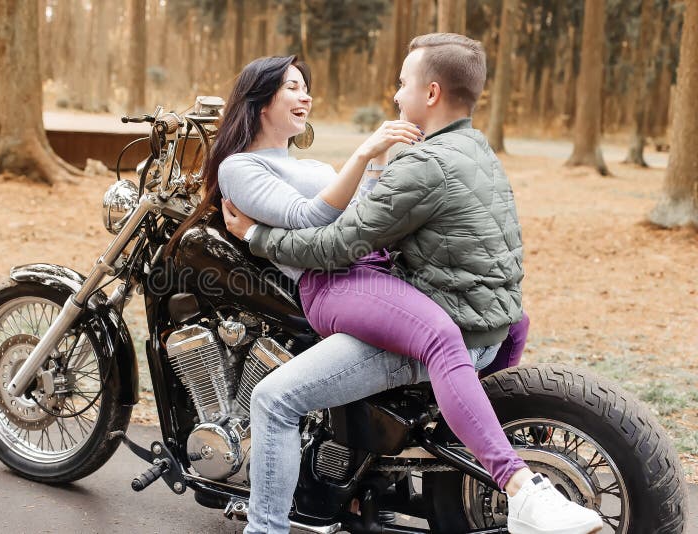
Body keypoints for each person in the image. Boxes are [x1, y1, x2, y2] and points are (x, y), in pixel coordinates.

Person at [219, 34, 604, 534]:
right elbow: (322, 220)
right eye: (292, 85)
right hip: (358, 283)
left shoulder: (335, 165)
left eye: (403, 83)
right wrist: (259, 231)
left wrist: (370, 174)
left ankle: (486, 470)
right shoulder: (243, 166)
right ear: (260, 99)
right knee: (287, 393)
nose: (306, 94)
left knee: (278, 397)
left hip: (359, 275)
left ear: (431, 93)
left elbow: (349, 227)